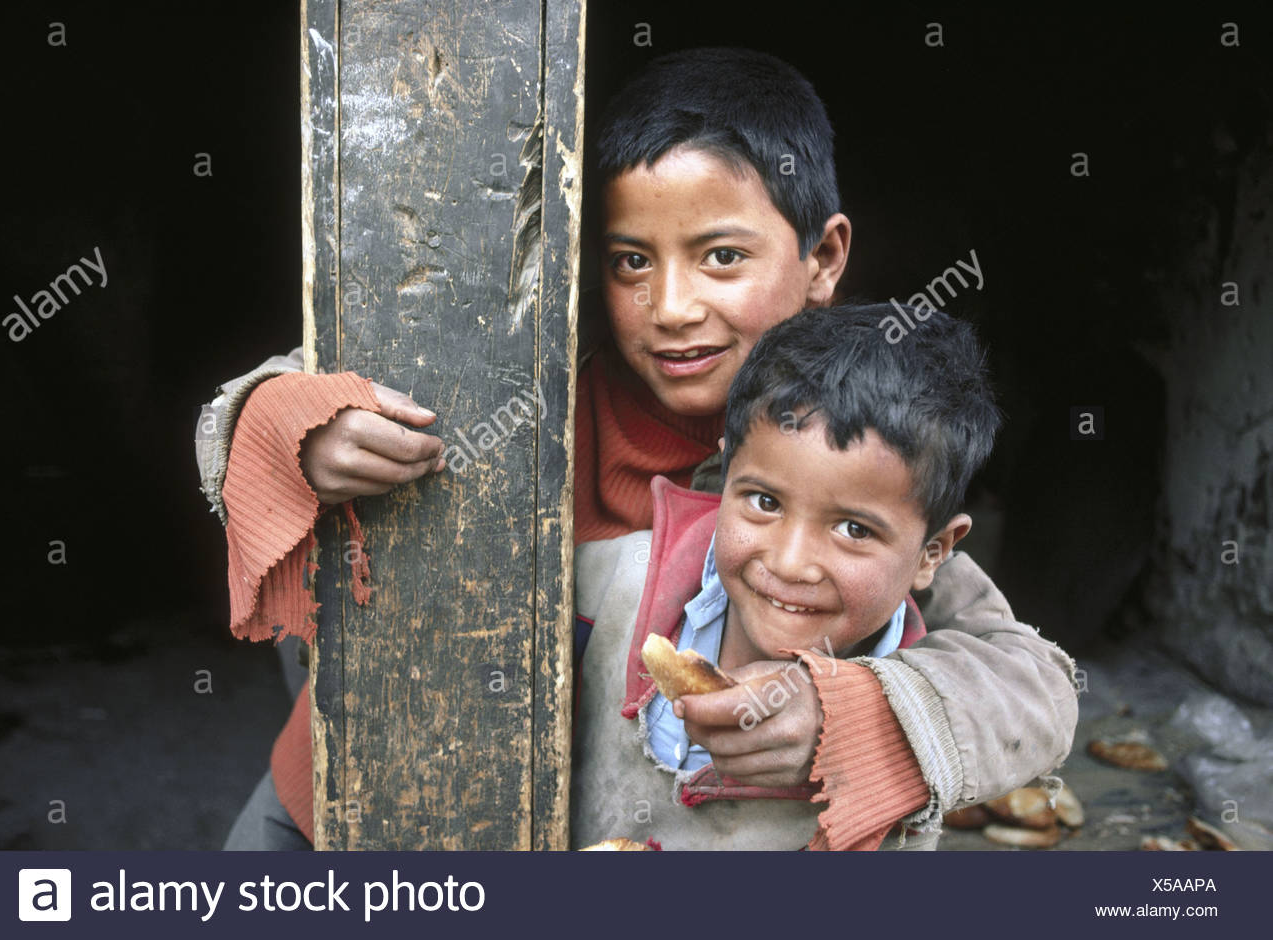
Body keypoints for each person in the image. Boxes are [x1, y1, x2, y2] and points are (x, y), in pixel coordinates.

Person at [200, 48, 1078, 850]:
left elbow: (1031, 681)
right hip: (352, 794)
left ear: (824, 258)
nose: (669, 308)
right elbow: (305, 388)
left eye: (722, 257)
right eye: (630, 262)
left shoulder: (849, 450)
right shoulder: (533, 382)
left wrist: (863, 717)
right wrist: (292, 423)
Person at [573, 303, 1073, 850]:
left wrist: (863, 724)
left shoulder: (938, 675)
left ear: (934, 553)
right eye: (764, 501)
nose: (788, 562)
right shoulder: (612, 585)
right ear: (726, 473)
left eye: (854, 530)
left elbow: (1038, 693)